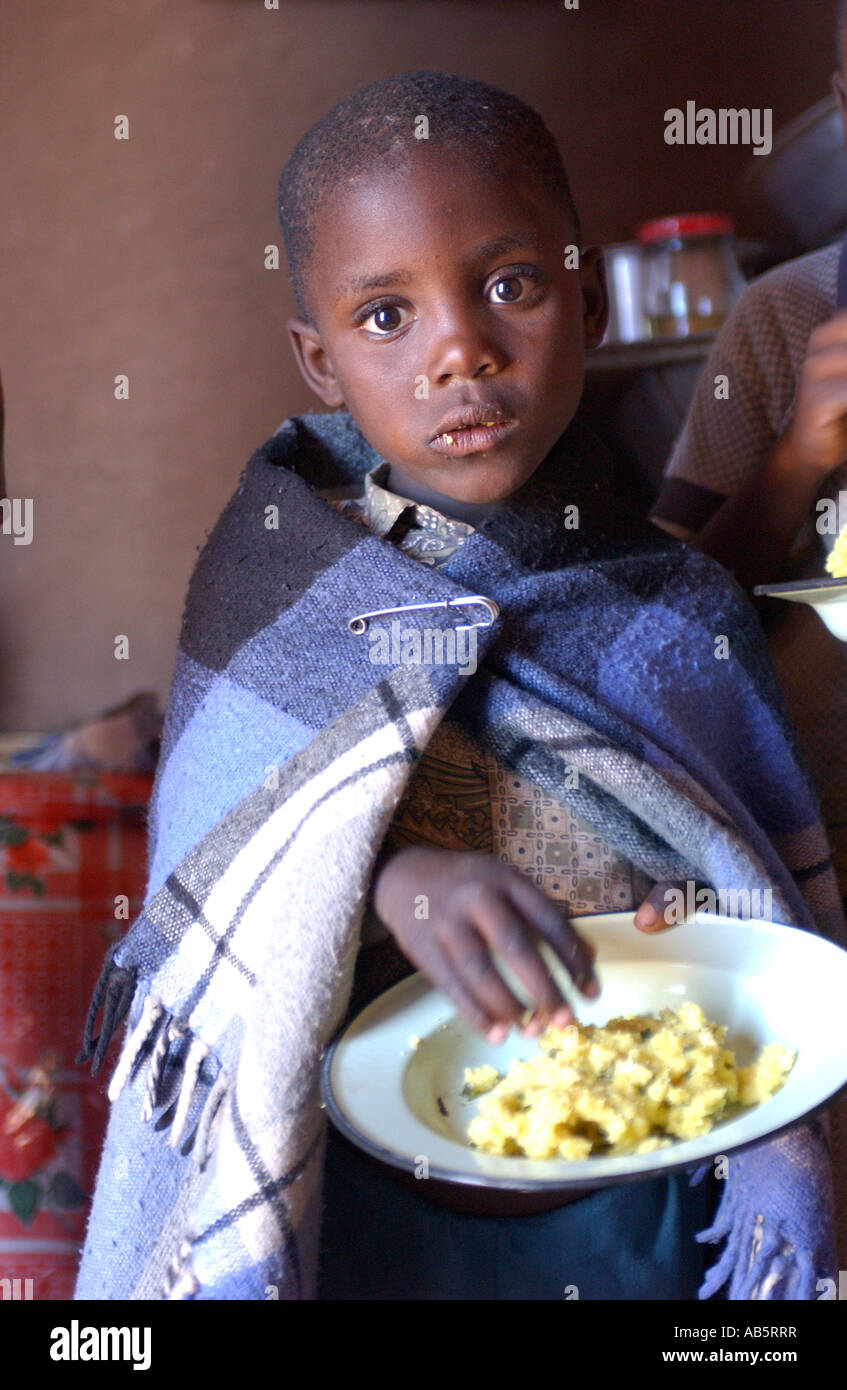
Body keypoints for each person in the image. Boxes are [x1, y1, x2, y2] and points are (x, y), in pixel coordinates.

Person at [75, 72, 842, 1303]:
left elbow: (713, 806)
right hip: (366, 1208)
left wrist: (675, 897)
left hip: (641, 1193)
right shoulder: (274, 576)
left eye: (509, 285)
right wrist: (390, 879)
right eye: (385, 317)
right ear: (318, 362)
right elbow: (229, 861)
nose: (459, 349)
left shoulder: (657, 588)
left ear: (587, 301)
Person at [651, 0, 847, 900]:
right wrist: (797, 458)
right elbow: (671, 622)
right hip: (818, 834)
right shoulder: (781, 315)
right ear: (843, 105)